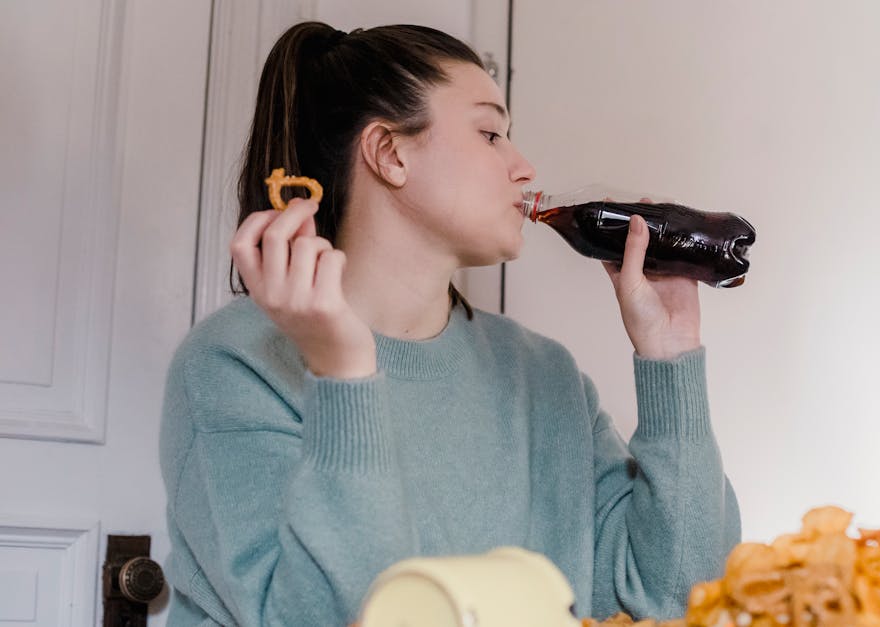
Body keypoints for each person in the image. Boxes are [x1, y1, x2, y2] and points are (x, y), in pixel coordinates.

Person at [159, 21, 740, 626]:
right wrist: (344, 375)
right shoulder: (236, 364)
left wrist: (671, 357)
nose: (523, 167)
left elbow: (682, 598)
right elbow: (330, 616)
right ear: (390, 153)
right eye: (490, 133)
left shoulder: (543, 376)